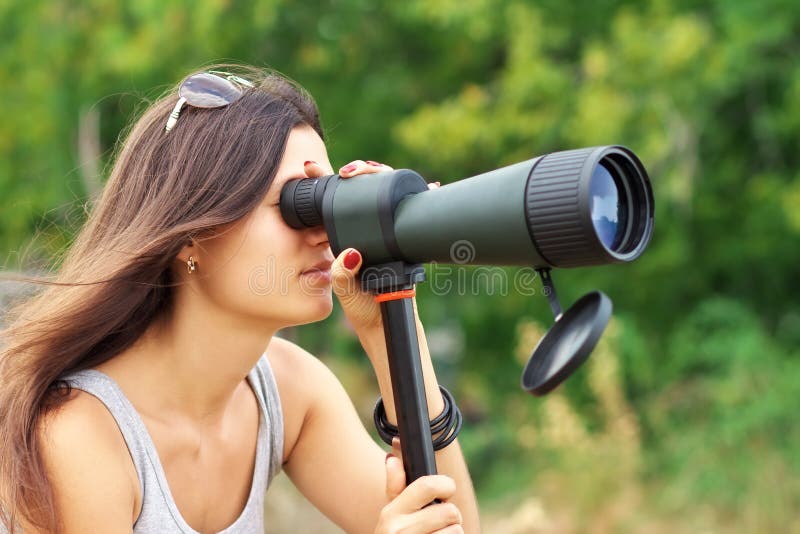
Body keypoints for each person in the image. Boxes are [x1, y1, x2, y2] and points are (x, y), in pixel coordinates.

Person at [0, 65, 479, 533]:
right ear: (190, 238)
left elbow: (451, 525)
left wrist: (393, 330)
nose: (323, 232)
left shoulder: (289, 390)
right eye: (295, 205)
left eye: (328, 200)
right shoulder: (78, 436)